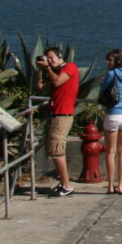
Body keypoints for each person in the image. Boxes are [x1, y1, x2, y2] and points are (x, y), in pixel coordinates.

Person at [35, 46, 80, 196]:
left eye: (52, 57)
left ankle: (66, 185)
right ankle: (63, 183)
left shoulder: (70, 67)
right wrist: (40, 70)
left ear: (60, 56)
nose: (50, 61)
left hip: (63, 115)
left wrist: (47, 67)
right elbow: (40, 87)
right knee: (54, 151)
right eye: (48, 58)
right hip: (54, 114)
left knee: (57, 150)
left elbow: (57, 82)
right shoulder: (54, 71)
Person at [98, 49, 122, 195]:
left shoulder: (111, 74)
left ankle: (110, 186)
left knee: (111, 151)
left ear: (116, 61)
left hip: (113, 114)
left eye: (110, 60)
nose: (108, 63)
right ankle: (121, 185)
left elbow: (103, 91)